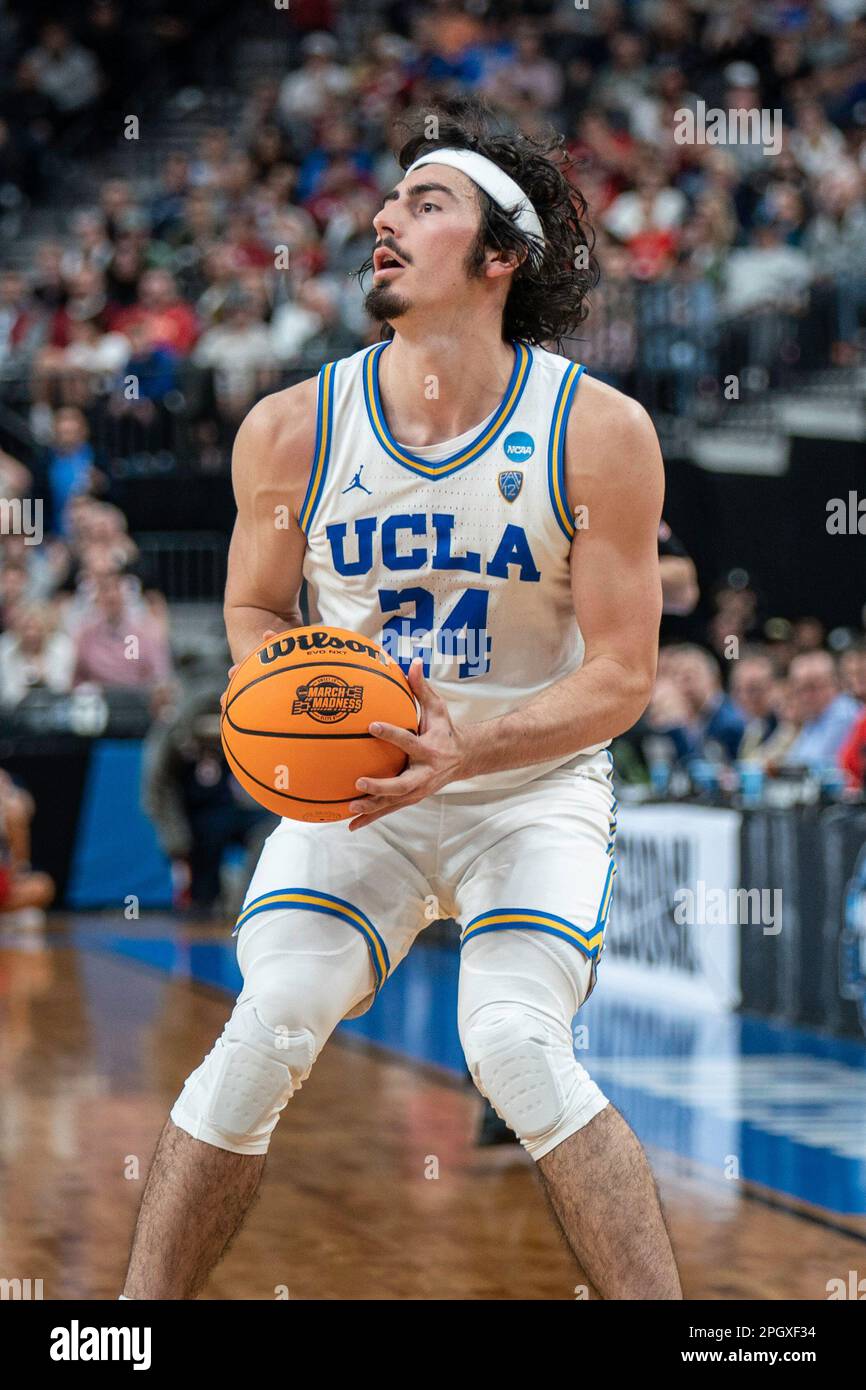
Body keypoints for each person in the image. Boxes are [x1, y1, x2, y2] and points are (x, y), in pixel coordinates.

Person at [121, 96, 680, 1301]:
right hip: (353, 790)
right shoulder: (288, 430)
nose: (381, 218)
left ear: (498, 257)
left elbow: (623, 675)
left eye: (424, 203)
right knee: (266, 1023)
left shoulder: (598, 432)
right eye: (384, 201)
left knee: (514, 1046)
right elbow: (254, 613)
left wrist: (468, 745)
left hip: (524, 787)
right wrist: (288, 694)